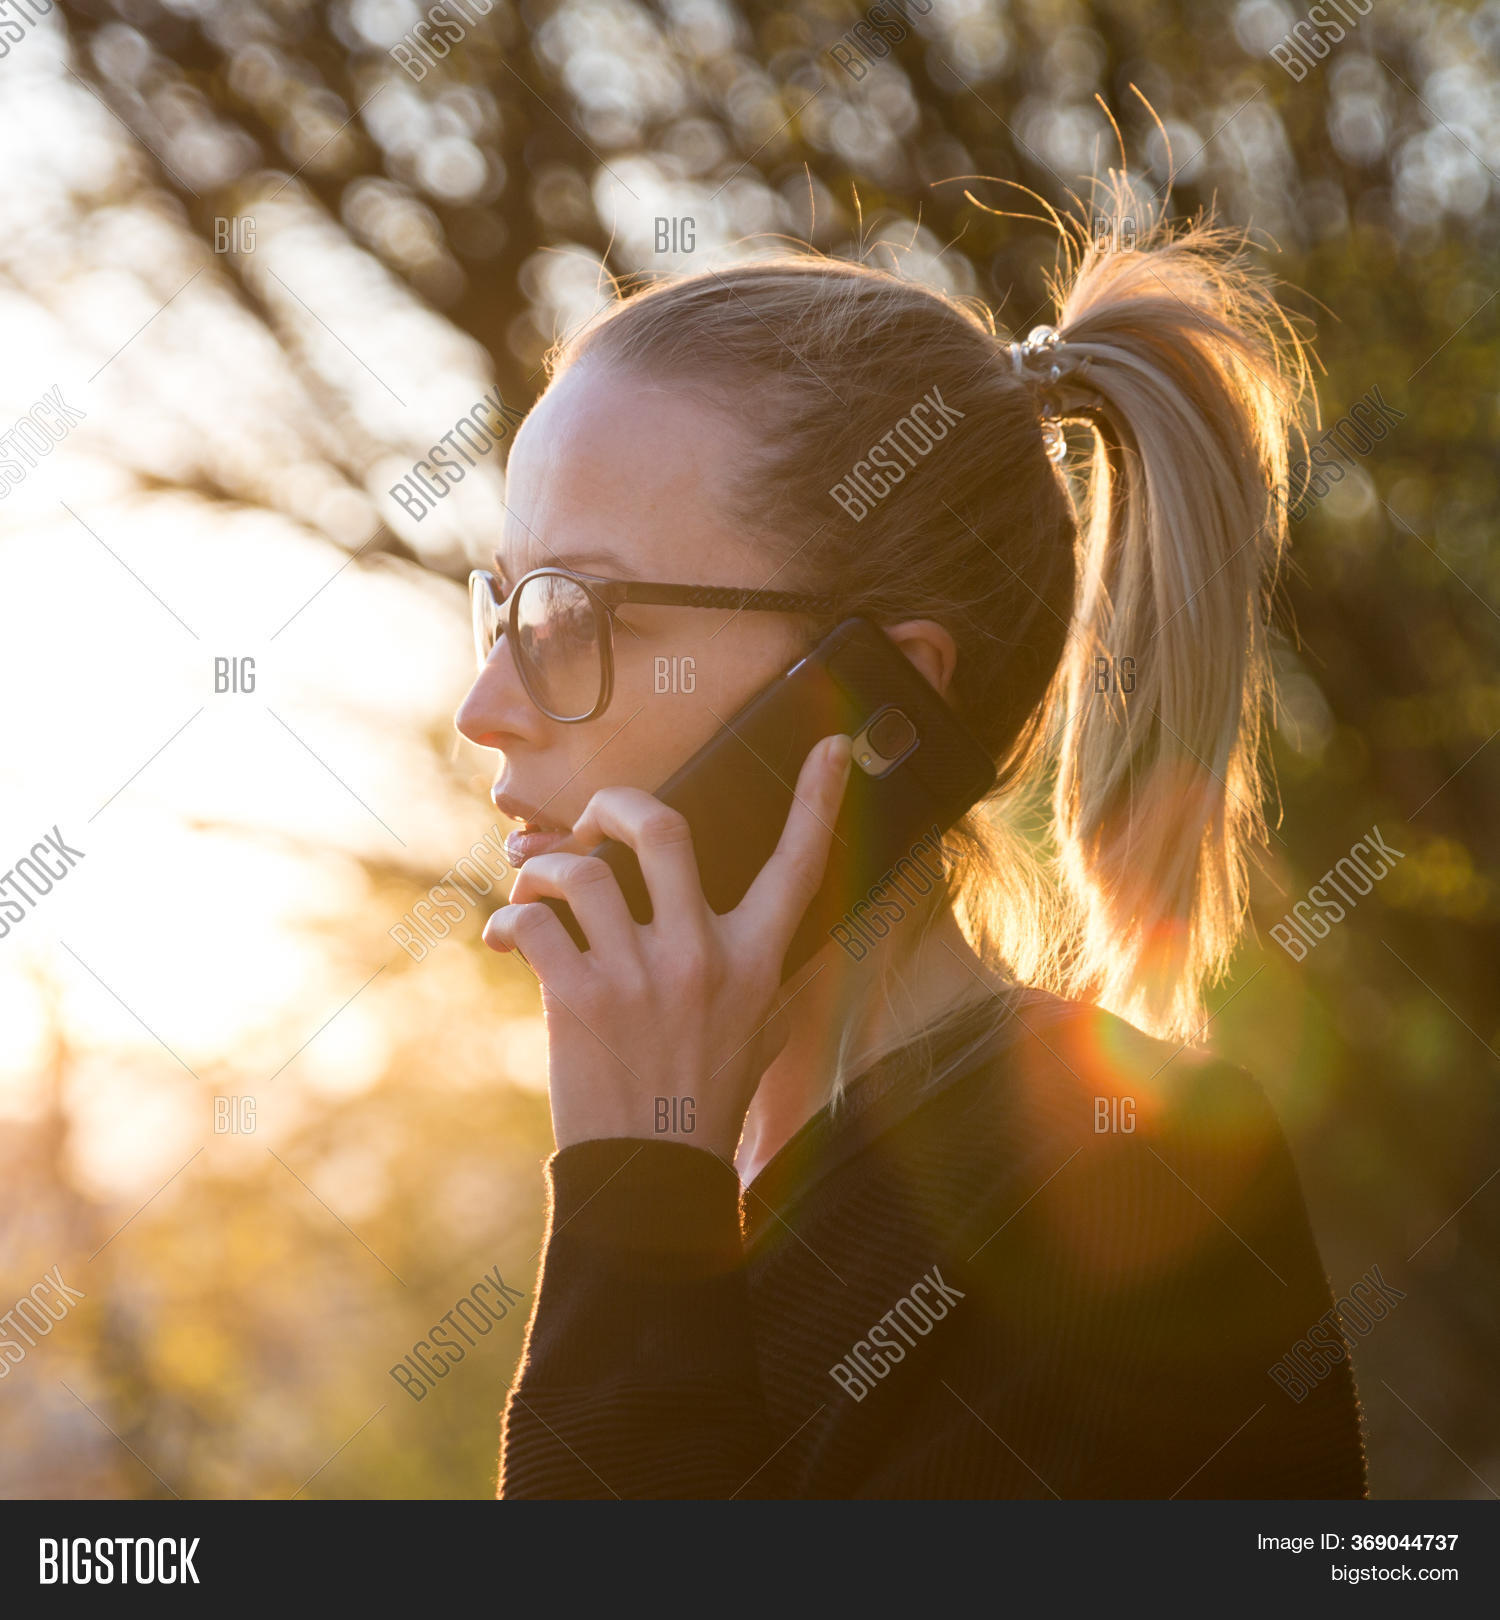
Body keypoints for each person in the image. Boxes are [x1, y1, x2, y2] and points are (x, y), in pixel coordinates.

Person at [454, 190, 1368, 1499]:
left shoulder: (1126, 1189)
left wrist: (640, 1195)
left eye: (579, 615)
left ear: (870, 704)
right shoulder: (711, 1181)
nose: (486, 707)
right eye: (503, 608)